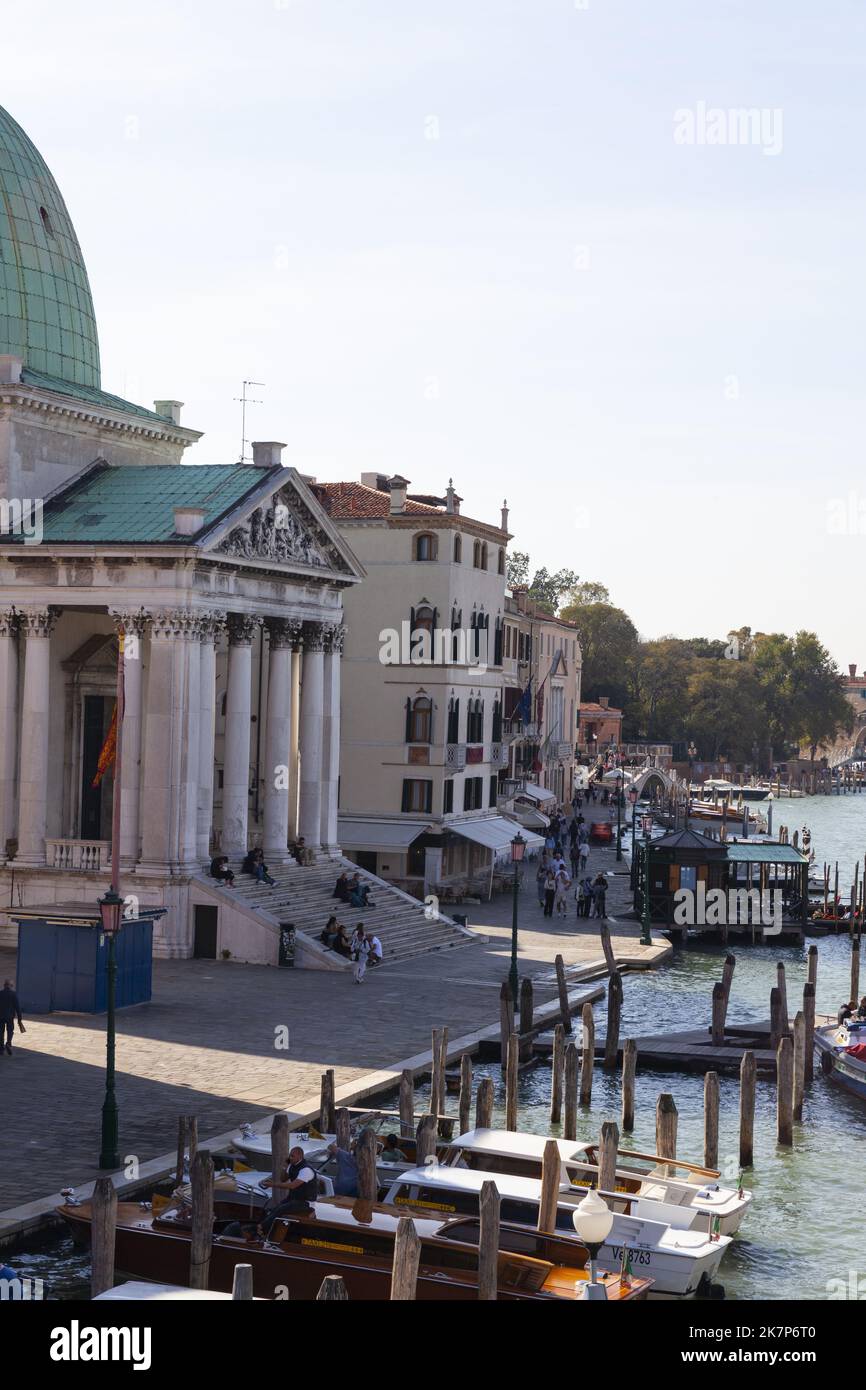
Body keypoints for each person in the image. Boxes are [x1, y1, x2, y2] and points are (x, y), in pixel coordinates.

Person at [258, 1146, 318, 1234]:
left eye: (292, 1156)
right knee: (274, 1209)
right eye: (290, 1156)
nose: (290, 1158)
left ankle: (261, 1228)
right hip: (293, 1198)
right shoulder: (291, 1166)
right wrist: (285, 1166)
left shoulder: (306, 1170)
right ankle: (268, 1229)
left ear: (300, 1156)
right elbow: (283, 1179)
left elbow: (292, 1186)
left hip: (305, 1202)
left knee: (280, 1210)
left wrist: (272, 1185)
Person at [0, 980, 24, 1055]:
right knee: (10, 1031)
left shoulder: (0, 993)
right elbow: (17, 1007)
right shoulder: (13, 994)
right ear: (10, 986)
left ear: (4, 985)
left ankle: (1, 1048)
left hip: (1, 1016)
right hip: (10, 1017)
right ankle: (8, 1043)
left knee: (1, 1032)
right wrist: (19, 1018)